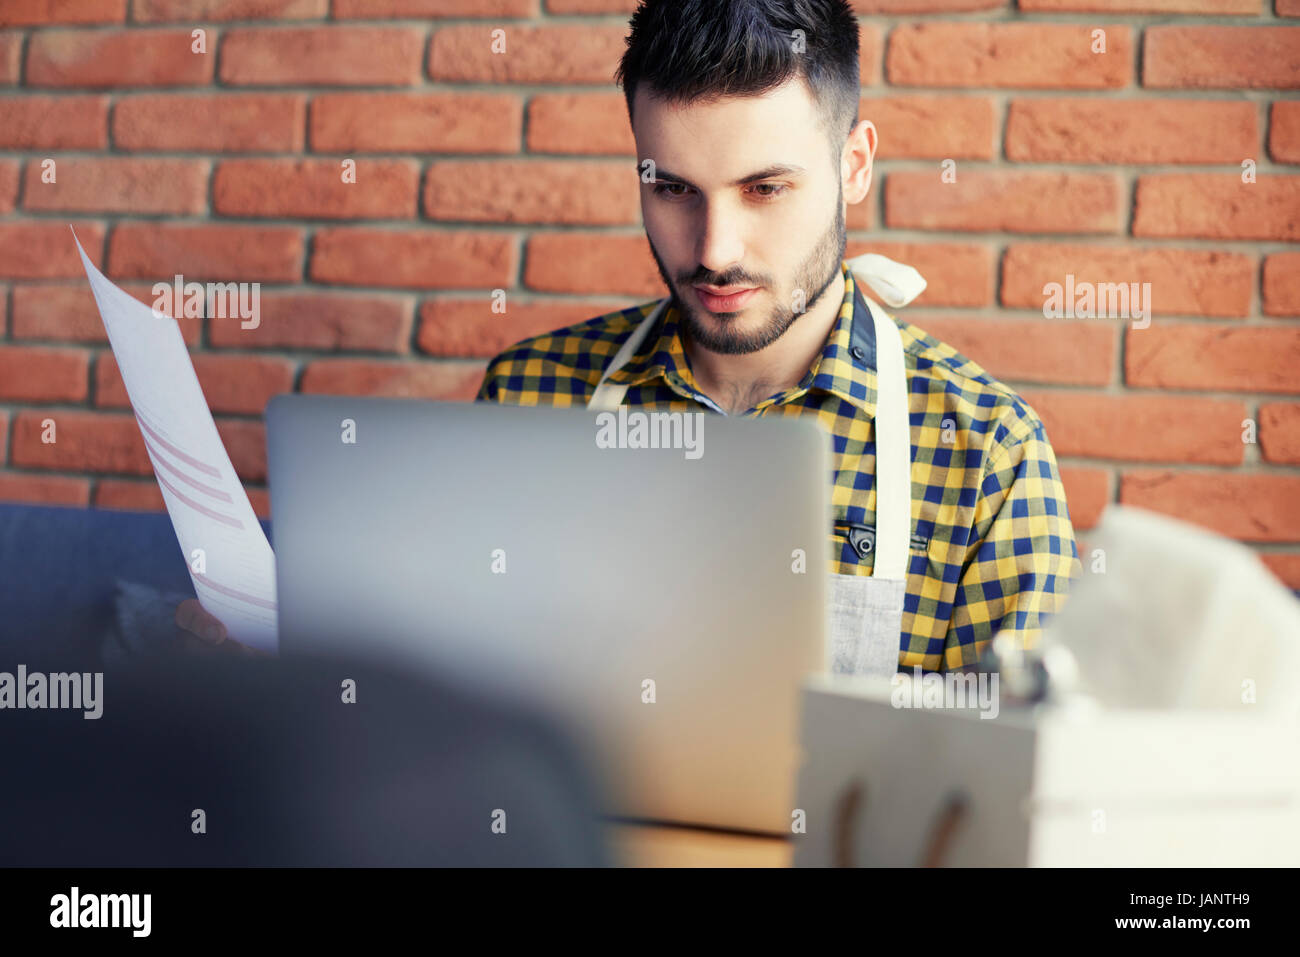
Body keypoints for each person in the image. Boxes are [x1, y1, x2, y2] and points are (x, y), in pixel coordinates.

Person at [181, 0, 1079, 675]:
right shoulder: (531, 397)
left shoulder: (986, 455)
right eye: (673, 188)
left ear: (854, 166)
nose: (716, 251)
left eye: (766, 189)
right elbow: (451, 696)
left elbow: (1019, 801)